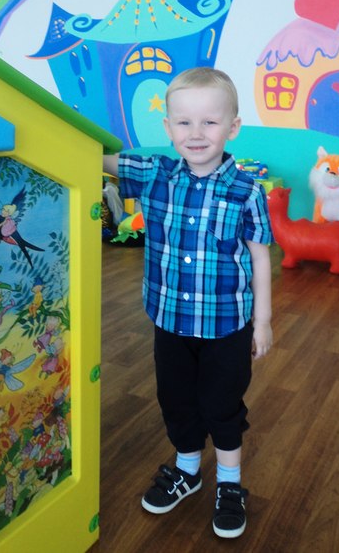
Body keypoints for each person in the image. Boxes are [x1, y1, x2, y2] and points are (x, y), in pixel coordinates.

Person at [103, 67, 273, 539]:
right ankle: (187, 471)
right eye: (184, 122)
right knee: (175, 400)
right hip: (170, 321)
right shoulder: (156, 175)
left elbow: (260, 257)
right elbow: (101, 159)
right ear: (168, 127)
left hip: (227, 325)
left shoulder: (247, 190)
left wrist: (262, 321)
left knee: (222, 405)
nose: (196, 133)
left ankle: (230, 483)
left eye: (209, 122)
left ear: (233, 127)